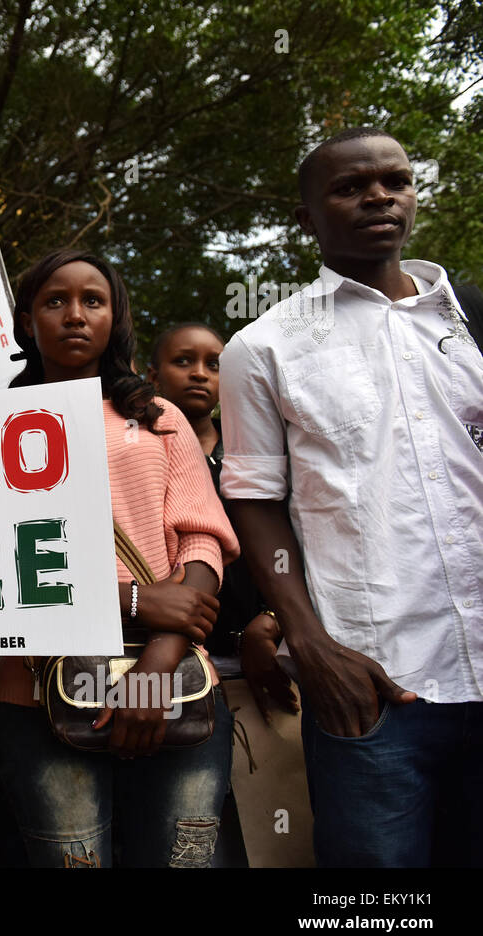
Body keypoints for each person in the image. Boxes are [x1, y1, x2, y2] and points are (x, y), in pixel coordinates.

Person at [219, 127, 483, 867]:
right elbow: (255, 501)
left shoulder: (471, 323)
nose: (379, 196)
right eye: (350, 187)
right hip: (373, 688)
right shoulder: (264, 347)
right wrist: (310, 641)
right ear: (306, 216)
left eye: (395, 180)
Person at [0, 249, 240, 868]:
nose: (75, 314)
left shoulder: (160, 418)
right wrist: (129, 598)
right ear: (26, 322)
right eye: (55, 301)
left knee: (186, 860)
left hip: (172, 678)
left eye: (92, 300)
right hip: (35, 688)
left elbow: (202, 540)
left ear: (114, 316)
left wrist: (156, 667)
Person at [148, 322, 315, 867]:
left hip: (264, 674)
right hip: (165, 673)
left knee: (278, 834)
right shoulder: (137, 455)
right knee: (189, 842)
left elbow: (304, 546)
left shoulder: (259, 455)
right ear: (151, 374)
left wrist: (273, 620)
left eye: (214, 363)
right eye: (182, 361)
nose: (199, 373)